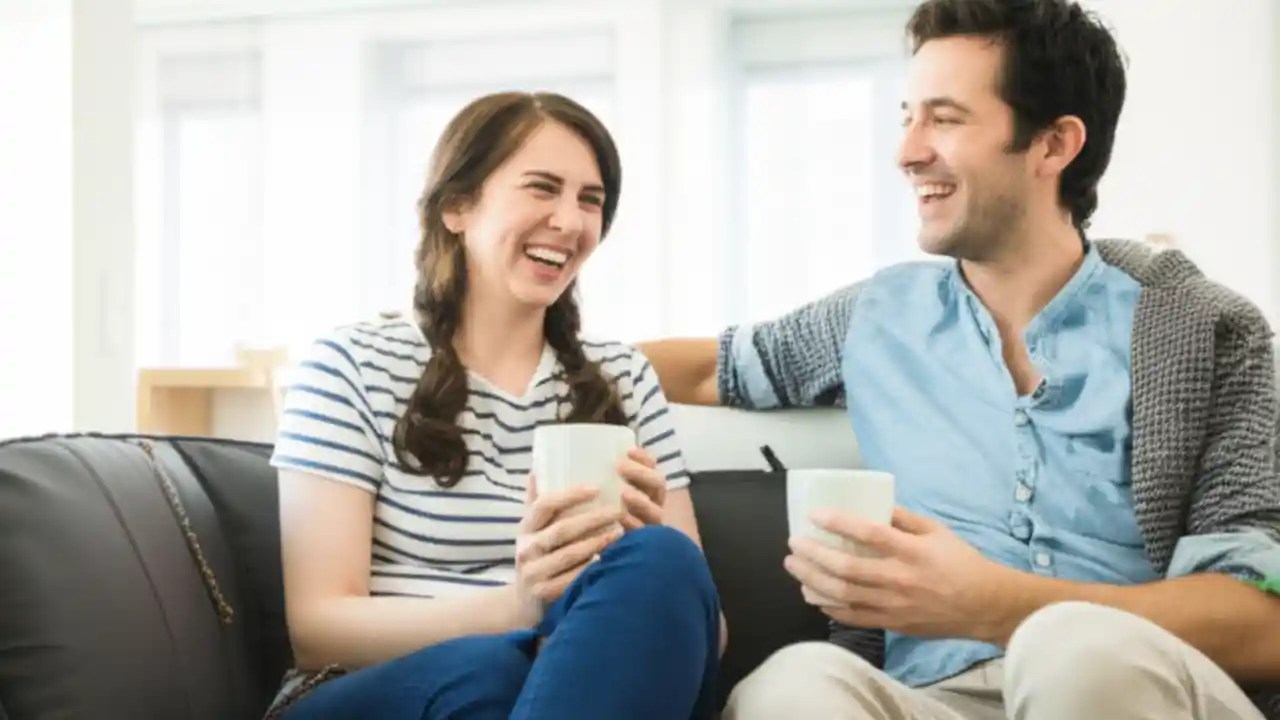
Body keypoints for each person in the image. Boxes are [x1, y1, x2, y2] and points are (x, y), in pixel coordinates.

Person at [639, 1, 1280, 718]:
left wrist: (992, 604)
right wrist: (500, 345)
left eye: (944, 119)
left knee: (1073, 649)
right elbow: (705, 369)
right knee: (794, 686)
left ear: (1053, 145)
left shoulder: (1206, 329)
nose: (907, 152)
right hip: (935, 700)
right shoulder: (877, 317)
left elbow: (1263, 622)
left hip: (1134, 685)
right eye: (907, 117)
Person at [266, 91, 723, 720]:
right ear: (456, 206)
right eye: (542, 188)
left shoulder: (623, 378)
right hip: (375, 688)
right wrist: (519, 607)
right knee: (493, 669)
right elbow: (317, 630)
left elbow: (711, 632)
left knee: (664, 558)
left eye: (591, 200)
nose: (570, 221)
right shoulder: (350, 364)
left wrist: (633, 567)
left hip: (569, 683)